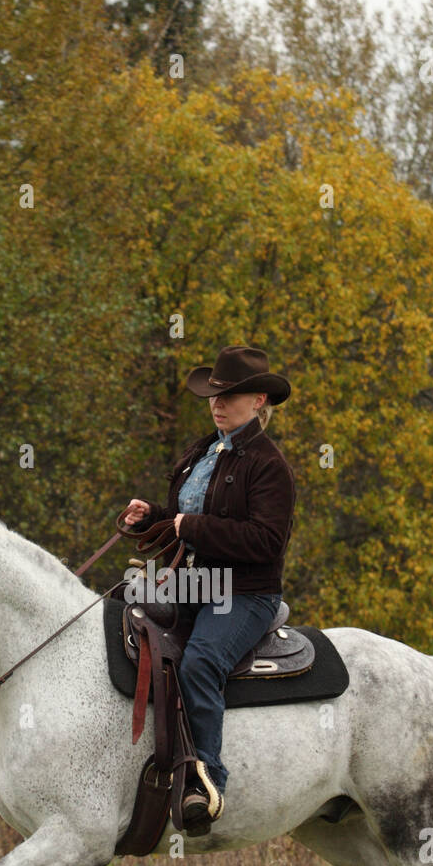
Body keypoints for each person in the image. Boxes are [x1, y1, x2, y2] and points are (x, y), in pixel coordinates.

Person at [123, 345, 296, 835]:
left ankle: (205, 781)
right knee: (120, 613)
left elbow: (265, 541)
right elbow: (186, 520)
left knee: (200, 662)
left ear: (259, 400)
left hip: (245, 594)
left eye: (232, 396)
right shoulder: (202, 452)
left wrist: (190, 526)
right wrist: (153, 517)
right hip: (195, 584)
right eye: (214, 396)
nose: (218, 404)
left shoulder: (268, 466)